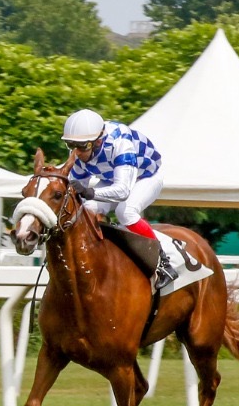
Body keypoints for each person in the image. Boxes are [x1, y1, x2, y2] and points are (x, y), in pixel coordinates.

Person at [60, 108, 175, 287]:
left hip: (146, 177)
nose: (77, 152)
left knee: (125, 212)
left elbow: (122, 191)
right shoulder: (81, 149)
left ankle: (163, 263)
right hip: (112, 178)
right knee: (87, 209)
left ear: (98, 141)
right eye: (71, 145)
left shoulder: (121, 143)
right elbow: (75, 188)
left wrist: (91, 192)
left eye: (82, 146)